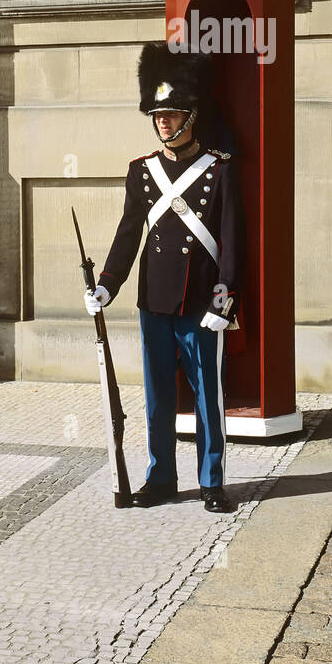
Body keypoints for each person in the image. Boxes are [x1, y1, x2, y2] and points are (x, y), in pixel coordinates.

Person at [85, 43, 243, 512]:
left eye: (171, 114)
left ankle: (211, 481)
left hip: (200, 303)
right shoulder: (142, 172)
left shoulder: (219, 170)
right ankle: (161, 478)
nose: (163, 122)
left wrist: (225, 301)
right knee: (157, 396)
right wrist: (107, 284)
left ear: (191, 116)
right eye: (157, 116)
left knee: (207, 395)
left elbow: (233, 241)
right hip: (154, 301)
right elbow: (128, 233)